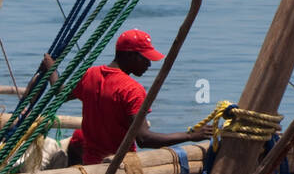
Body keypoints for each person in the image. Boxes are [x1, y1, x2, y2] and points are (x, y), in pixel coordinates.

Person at [43, 29, 209, 166]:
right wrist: (190, 136)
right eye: (145, 58)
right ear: (129, 55)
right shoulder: (132, 90)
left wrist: (51, 68)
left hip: (90, 165)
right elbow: (144, 138)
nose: (149, 65)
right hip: (120, 169)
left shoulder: (91, 75)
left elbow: (60, 93)